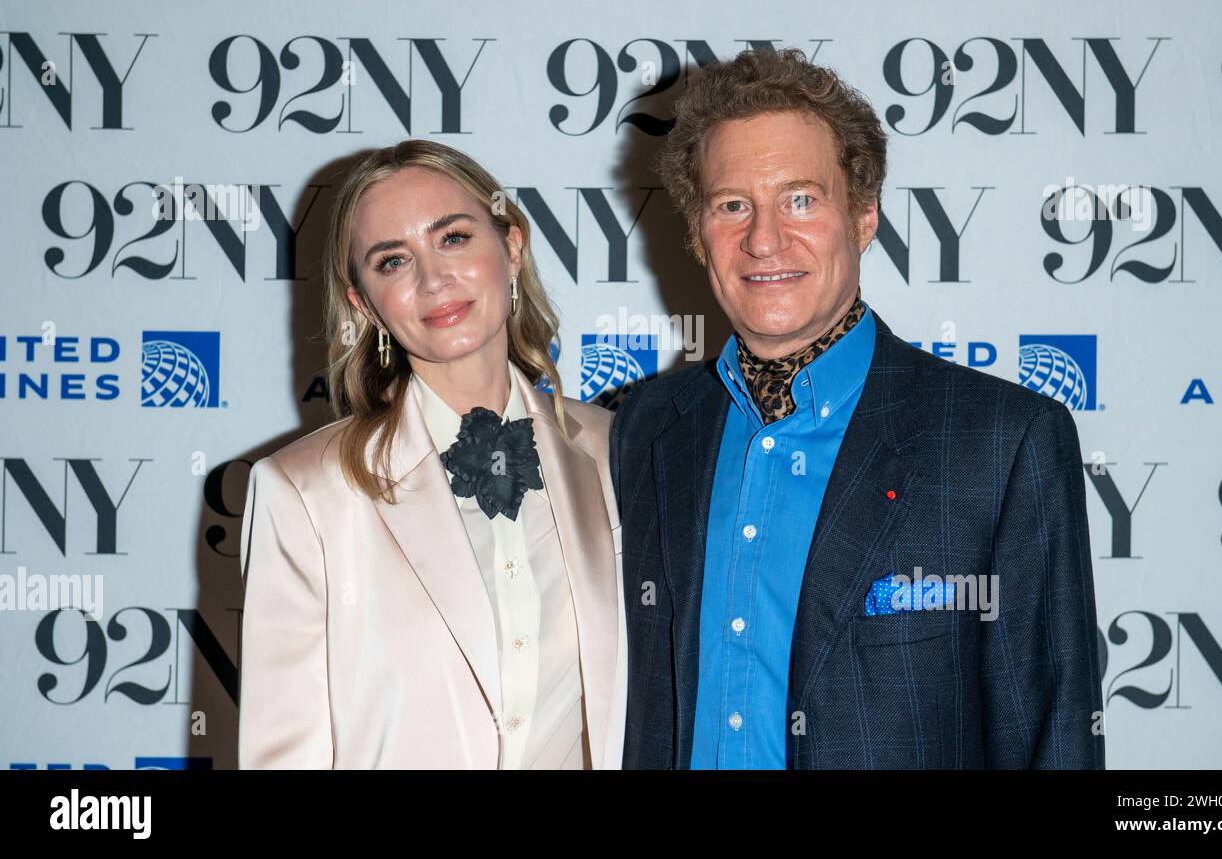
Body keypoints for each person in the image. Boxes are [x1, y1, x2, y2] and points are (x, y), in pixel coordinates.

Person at [612, 47, 1105, 769]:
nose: (764, 238)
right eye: (732, 205)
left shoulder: (1001, 442)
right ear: (696, 234)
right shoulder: (644, 430)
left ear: (865, 215)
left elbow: (1053, 737)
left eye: (801, 199)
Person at [238, 140, 625, 769]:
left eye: (453, 238)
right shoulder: (304, 492)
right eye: (392, 261)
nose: (432, 278)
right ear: (363, 302)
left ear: (513, 247)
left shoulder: (615, 455)